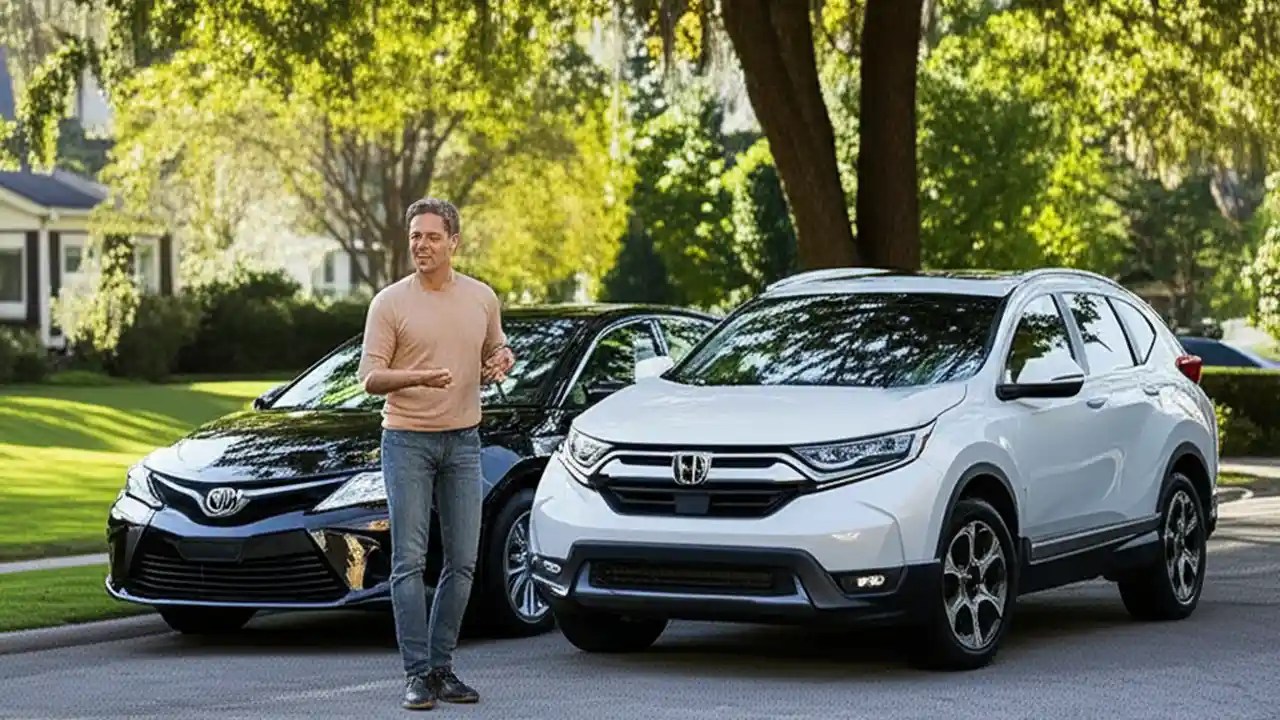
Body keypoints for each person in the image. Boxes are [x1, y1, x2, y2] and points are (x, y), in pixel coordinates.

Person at [357, 197, 515, 711]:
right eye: (415, 237)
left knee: (464, 561)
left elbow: (496, 349)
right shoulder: (390, 303)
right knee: (407, 561)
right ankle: (416, 674)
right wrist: (419, 377)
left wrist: (502, 360)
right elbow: (370, 378)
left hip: (464, 442)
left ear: (453, 242)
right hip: (406, 440)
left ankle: (443, 667)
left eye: (430, 237)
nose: (420, 245)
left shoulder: (481, 297)